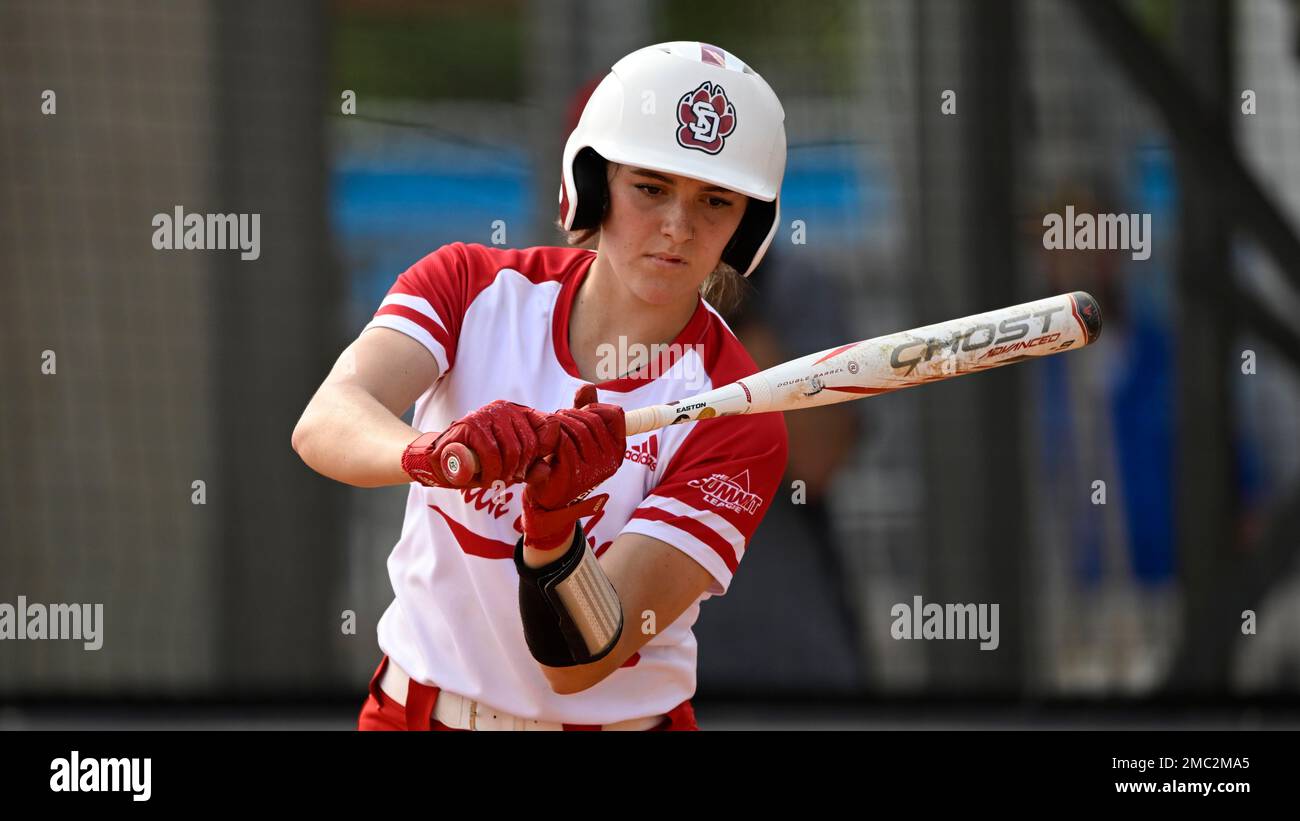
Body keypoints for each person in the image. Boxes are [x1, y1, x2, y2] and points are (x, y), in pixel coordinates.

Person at [292, 41, 789, 730]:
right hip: (413, 714)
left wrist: (554, 529)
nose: (679, 227)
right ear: (593, 184)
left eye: (715, 200)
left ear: (747, 227)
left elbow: (581, 660)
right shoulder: (469, 286)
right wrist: (436, 454)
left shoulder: (740, 412)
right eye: (650, 187)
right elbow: (325, 421)